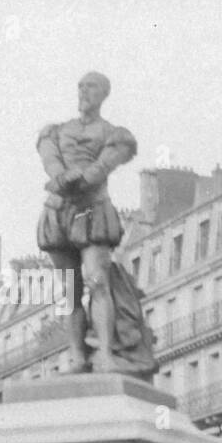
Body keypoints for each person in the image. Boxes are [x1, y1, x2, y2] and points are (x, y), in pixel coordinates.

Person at [36, 71, 155, 376]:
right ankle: (77, 356)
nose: (83, 92)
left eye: (90, 87)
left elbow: (103, 167)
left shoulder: (114, 134)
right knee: (70, 291)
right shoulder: (55, 131)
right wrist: (63, 178)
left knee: (97, 281)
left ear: (103, 94)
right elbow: (50, 162)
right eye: (80, 86)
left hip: (92, 209)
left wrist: (79, 179)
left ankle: (105, 353)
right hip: (59, 209)